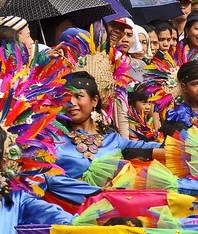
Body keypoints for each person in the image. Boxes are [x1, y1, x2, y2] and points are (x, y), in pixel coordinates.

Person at [45, 72, 163, 207]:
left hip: (115, 209)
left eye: (78, 96)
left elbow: (159, 149)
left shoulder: (113, 140)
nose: (71, 103)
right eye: (66, 98)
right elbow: (50, 178)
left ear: (94, 100)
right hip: (74, 213)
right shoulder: (53, 142)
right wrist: (98, 193)